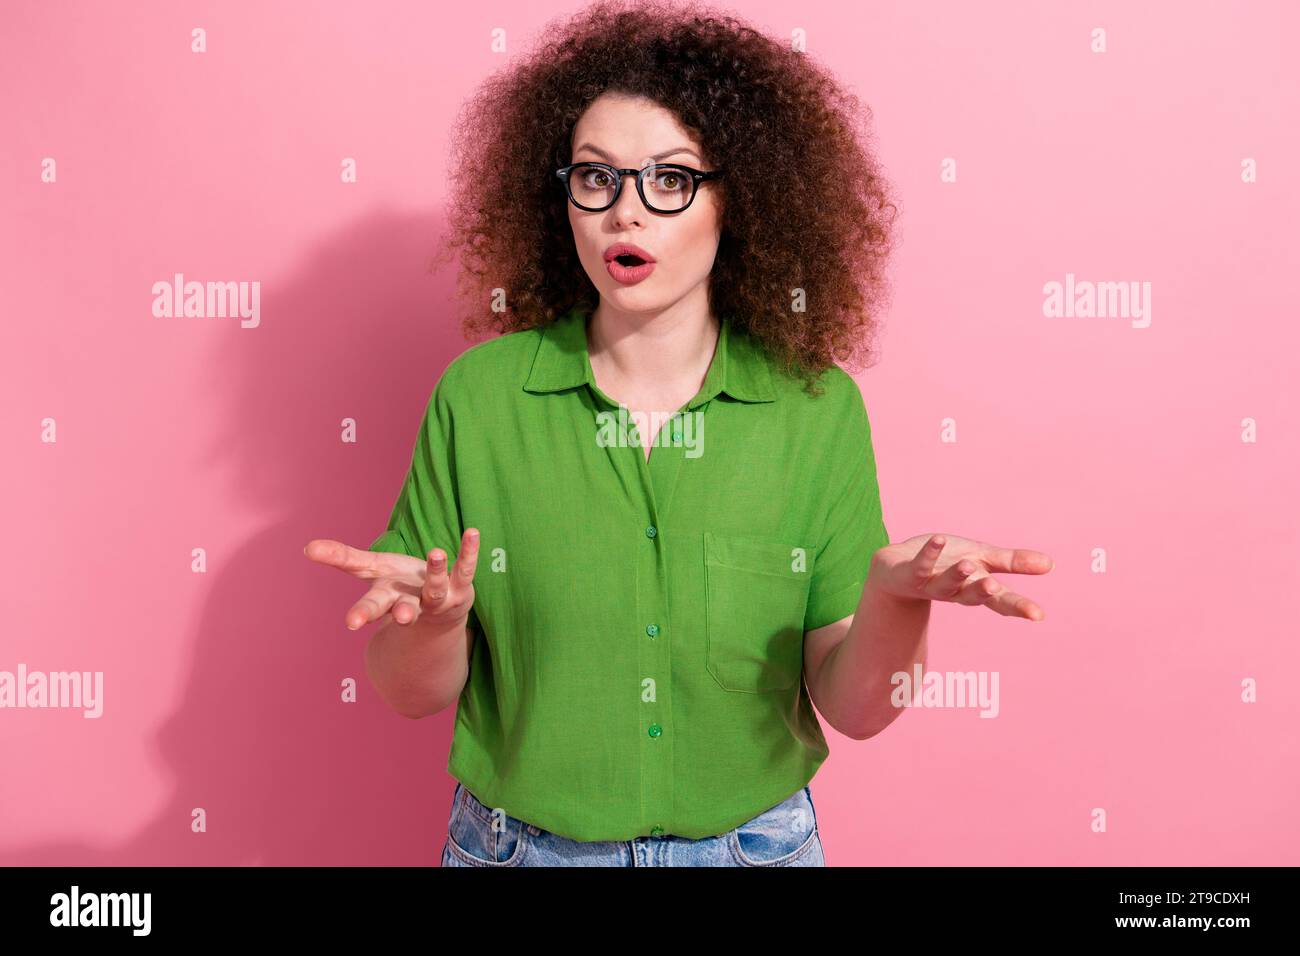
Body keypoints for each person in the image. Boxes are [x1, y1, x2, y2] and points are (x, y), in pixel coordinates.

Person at [305, 0, 1053, 867]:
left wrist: (895, 605)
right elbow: (410, 694)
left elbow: (855, 709)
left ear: (739, 197)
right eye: (596, 177)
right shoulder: (480, 399)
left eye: (670, 179)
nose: (626, 213)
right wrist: (436, 623)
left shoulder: (816, 409)